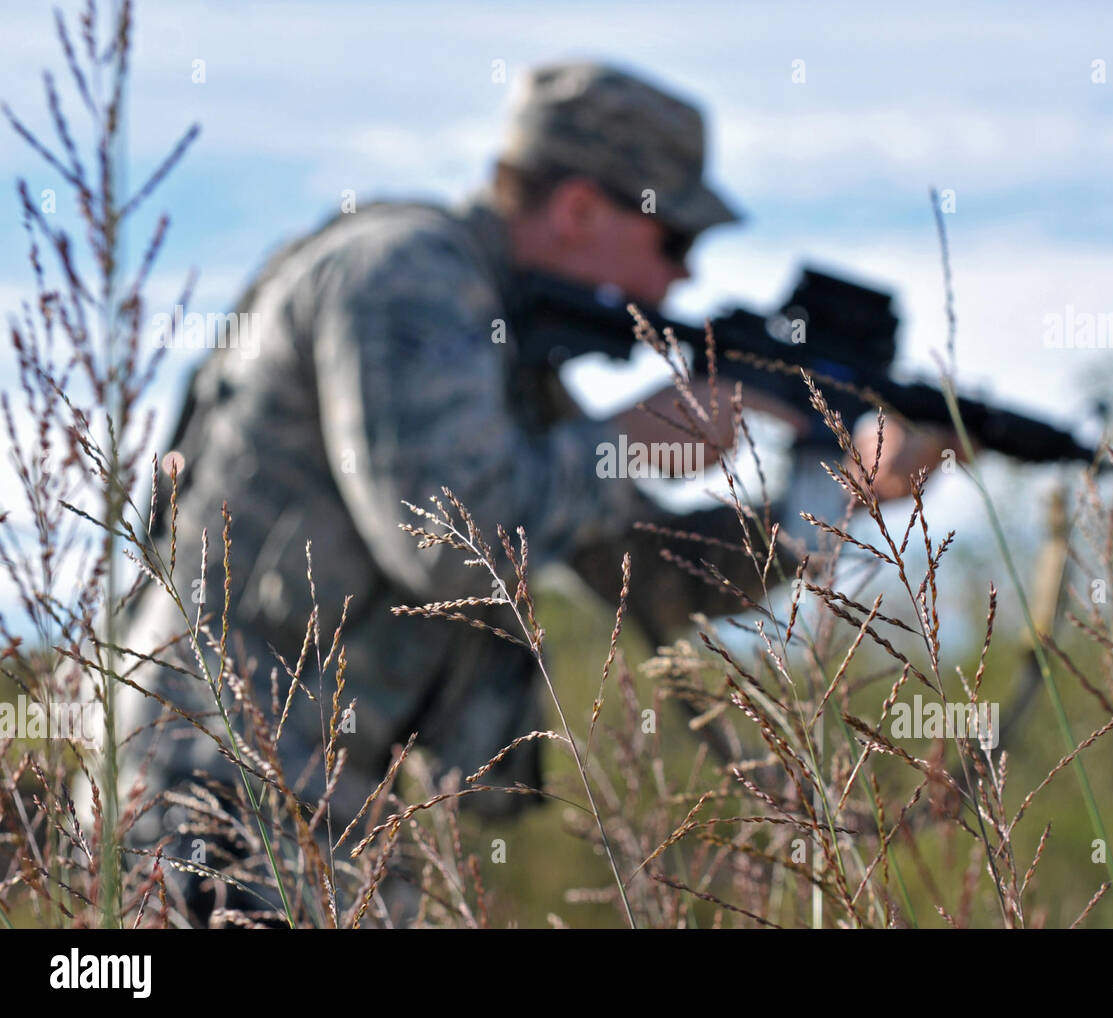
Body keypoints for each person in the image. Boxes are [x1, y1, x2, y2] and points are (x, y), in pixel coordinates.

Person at [108, 61, 954, 903]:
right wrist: (632, 440)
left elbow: (654, 583)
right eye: (675, 240)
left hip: (324, 806)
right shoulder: (407, 274)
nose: (683, 280)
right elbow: (445, 548)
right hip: (215, 779)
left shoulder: (505, 351)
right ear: (581, 207)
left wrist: (831, 494)